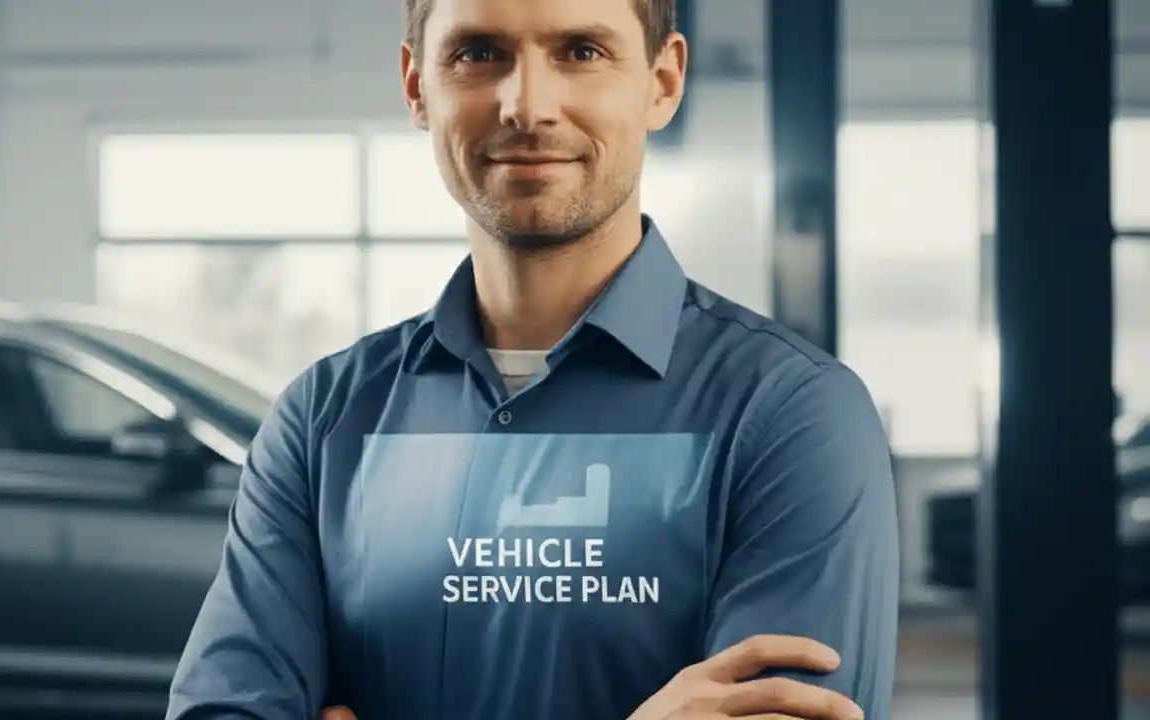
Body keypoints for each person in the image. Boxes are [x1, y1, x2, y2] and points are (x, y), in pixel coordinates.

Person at [165, 0, 899, 717]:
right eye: (479, 53)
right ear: (419, 85)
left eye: (581, 52)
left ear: (663, 82)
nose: (527, 105)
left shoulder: (790, 413)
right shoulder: (323, 418)